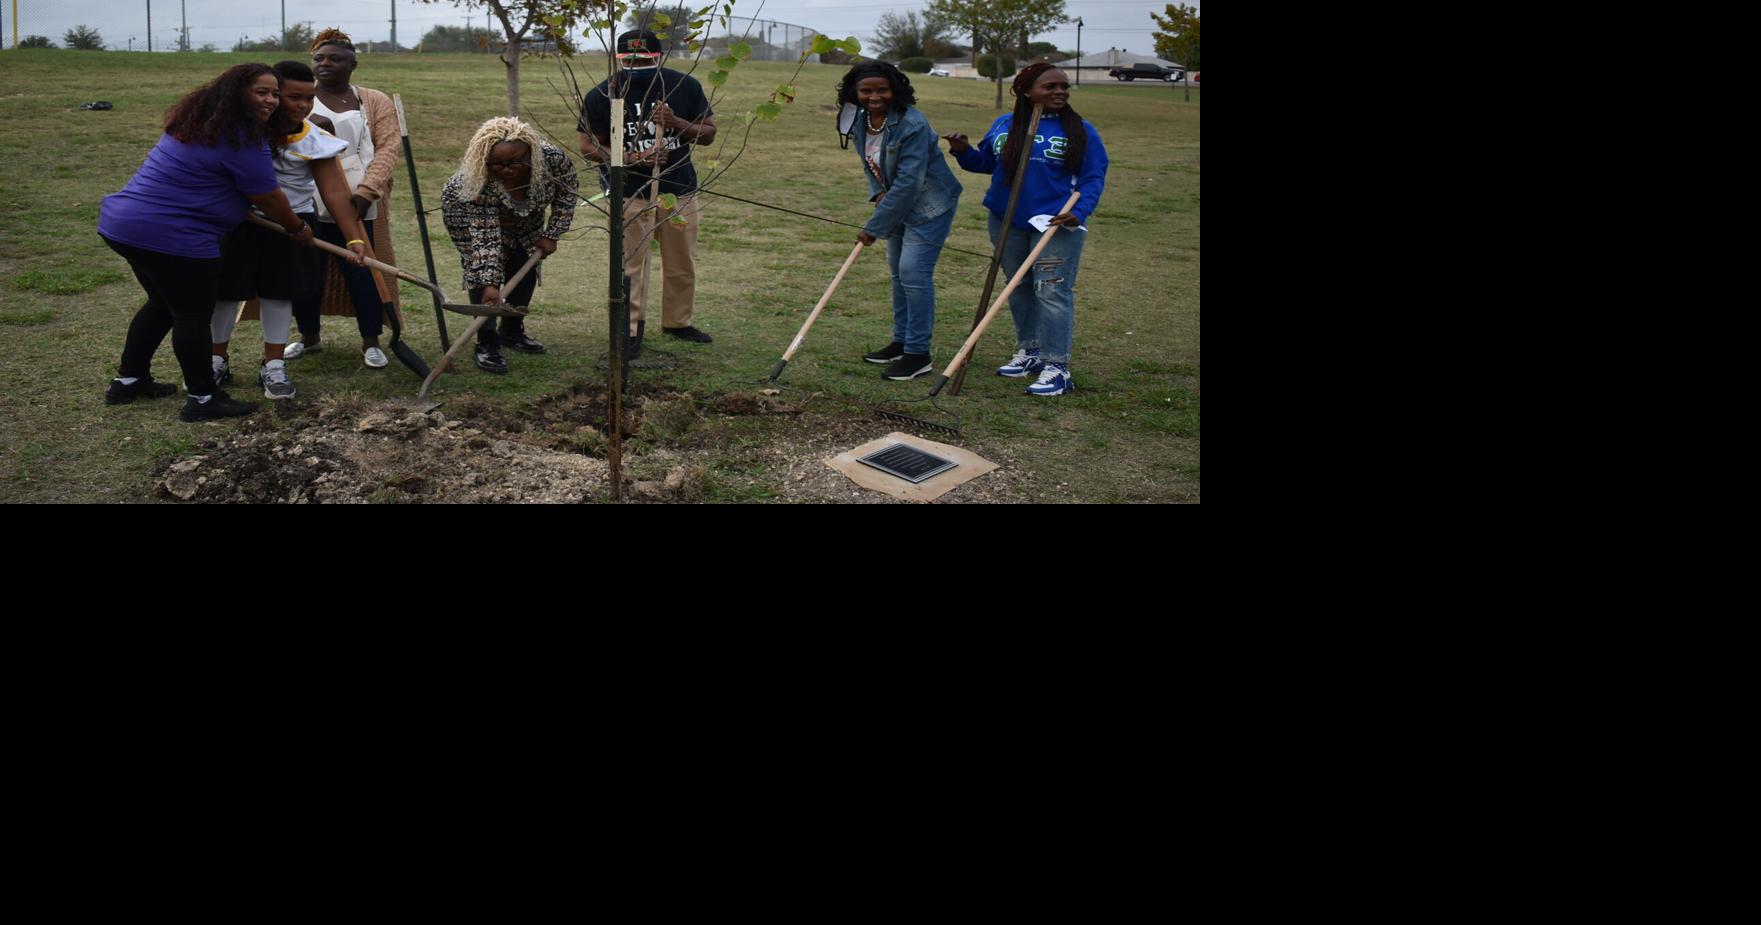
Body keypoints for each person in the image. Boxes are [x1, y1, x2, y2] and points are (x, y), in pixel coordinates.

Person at [98, 63, 314, 422]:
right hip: (173, 236)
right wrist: (297, 228)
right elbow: (268, 197)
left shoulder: (195, 125)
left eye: (275, 93)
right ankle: (202, 398)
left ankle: (129, 380)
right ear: (236, 93)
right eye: (261, 92)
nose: (271, 100)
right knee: (192, 315)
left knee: (161, 304)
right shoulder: (244, 139)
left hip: (125, 226)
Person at [209, 61, 369, 400]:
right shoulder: (243, 134)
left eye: (309, 98)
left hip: (294, 227)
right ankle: (215, 360)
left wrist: (353, 237)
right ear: (273, 96)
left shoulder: (314, 139)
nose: (303, 105)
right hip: (242, 222)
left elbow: (334, 191)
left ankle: (273, 365)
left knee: (279, 293)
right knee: (225, 293)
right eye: (294, 97)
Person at [947, 64, 1108, 396]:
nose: (1060, 92)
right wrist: (963, 151)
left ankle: (1057, 367)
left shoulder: (1081, 130)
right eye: (1050, 87)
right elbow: (987, 163)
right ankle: (1030, 351)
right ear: (1026, 91)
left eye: (1063, 86)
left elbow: (1093, 175)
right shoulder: (1005, 124)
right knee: (1017, 285)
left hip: (1056, 221)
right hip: (1007, 218)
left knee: (1051, 290)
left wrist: (1079, 211)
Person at [578, 29, 717, 352]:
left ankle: (678, 322)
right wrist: (632, 158)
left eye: (644, 60)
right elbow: (588, 146)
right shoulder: (604, 94)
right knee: (629, 266)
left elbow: (709, 133)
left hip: (678, 190)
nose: (637, 66)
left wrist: (676, 121)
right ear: (618, 59)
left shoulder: (683, 86)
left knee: (681, 262)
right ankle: (629, 330)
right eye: (629, 61)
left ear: (659, 56)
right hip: (628, 192)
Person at [283, 27, 403, 369]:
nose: (325, 64)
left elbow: (388, 147)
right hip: (308, 199)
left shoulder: (373, 100)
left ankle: (370, 341)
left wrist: (368, 191)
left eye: (335, 59)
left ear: (353, 64)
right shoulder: (300, 99)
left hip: (359, 199)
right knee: (307, 275)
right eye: (319, 59)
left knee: (363, 272)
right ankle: (309, 337)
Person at [838, 61, 963, 381]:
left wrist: (874, 227)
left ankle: (918, 354)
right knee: (898, 274)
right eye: (866, 91)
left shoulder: (913, 124)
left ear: (894, 90)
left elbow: (910, 182)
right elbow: (869, 164)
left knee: (913, 274)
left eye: (882, 90)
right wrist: (879, 193)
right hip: (896, 204)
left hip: (929, 206)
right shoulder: (860, 120)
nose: (874, 97)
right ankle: (902, 341)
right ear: (855, 92)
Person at [439, 118, 577, 373]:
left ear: (531, 154)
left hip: (527, 216)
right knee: (480, 271)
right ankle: (486, 342)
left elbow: (568, 193)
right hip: (468, 215)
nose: (507, 170)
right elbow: (485, 237)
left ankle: (512, 331)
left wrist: (553, 233)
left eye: (515, 162)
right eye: (498, 164)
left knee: (525, 264)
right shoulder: (477, 182)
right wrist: (490, 283)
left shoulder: (552, 160)